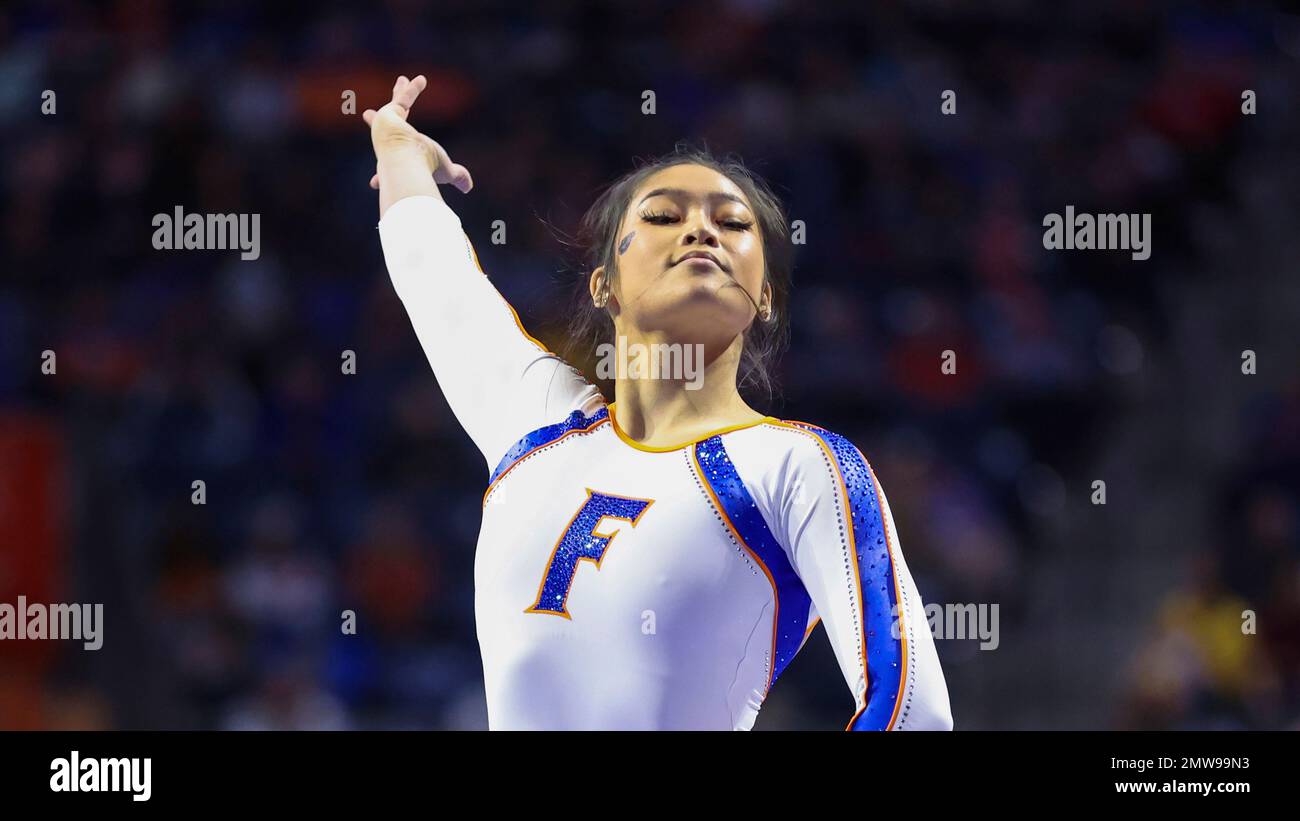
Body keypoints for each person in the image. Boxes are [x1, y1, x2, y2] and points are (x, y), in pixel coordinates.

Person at [365, 75, 953, 730]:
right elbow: (436, 277)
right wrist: (396, 148)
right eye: (664, 216)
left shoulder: (796, 467)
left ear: (764, 296)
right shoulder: (537, 424)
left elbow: (913, 710)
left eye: (732, 223)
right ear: (603, 284)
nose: (702, 231)